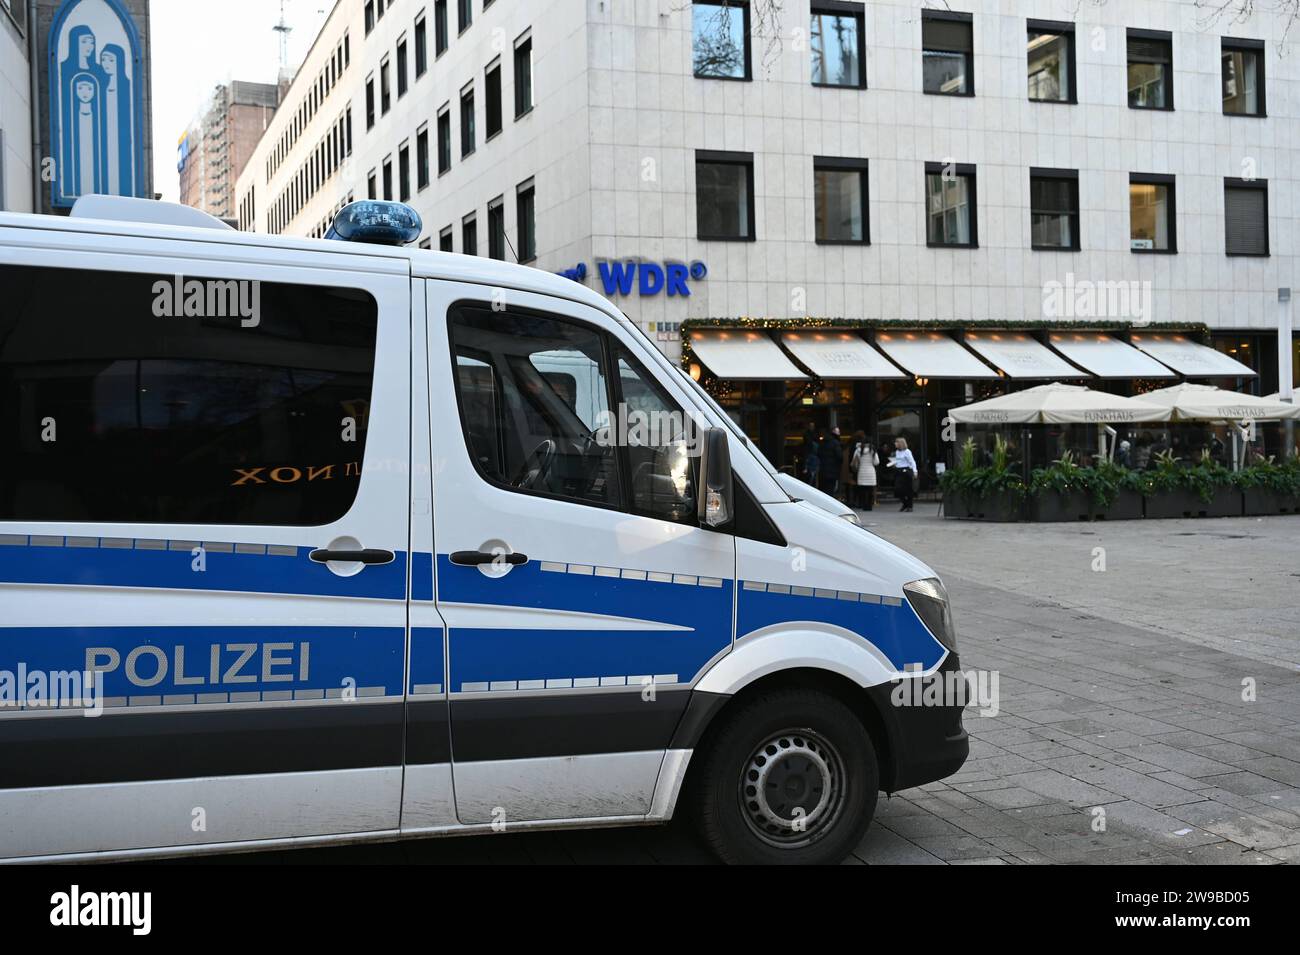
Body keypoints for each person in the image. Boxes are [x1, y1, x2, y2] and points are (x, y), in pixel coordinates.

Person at [850, 431, 878, 510]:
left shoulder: (858, 450)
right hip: (870, 472)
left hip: (861, 471)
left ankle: (863, 505)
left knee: (862, 490)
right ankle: (869, 506)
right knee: (870, 490)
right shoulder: (873, 450)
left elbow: (854, 462)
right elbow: (876, 462)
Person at [890, 437, 917, 512]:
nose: (895, 444)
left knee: (908, 489)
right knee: (898, 489)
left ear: (900, 443)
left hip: (907, 471)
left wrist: (915, 471)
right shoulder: (897, 452)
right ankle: (905, 503)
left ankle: (910, 506)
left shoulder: (907, 451)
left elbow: (912, 461)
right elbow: (898, 461)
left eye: (896, 442)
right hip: (899, 471)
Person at [819, 427, 843, 496]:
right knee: (831, 489)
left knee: (824, 489)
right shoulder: (836, 443)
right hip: (833, 470)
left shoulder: (823, 442)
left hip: (823, 469)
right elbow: (839, 456)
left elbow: (819, 453)